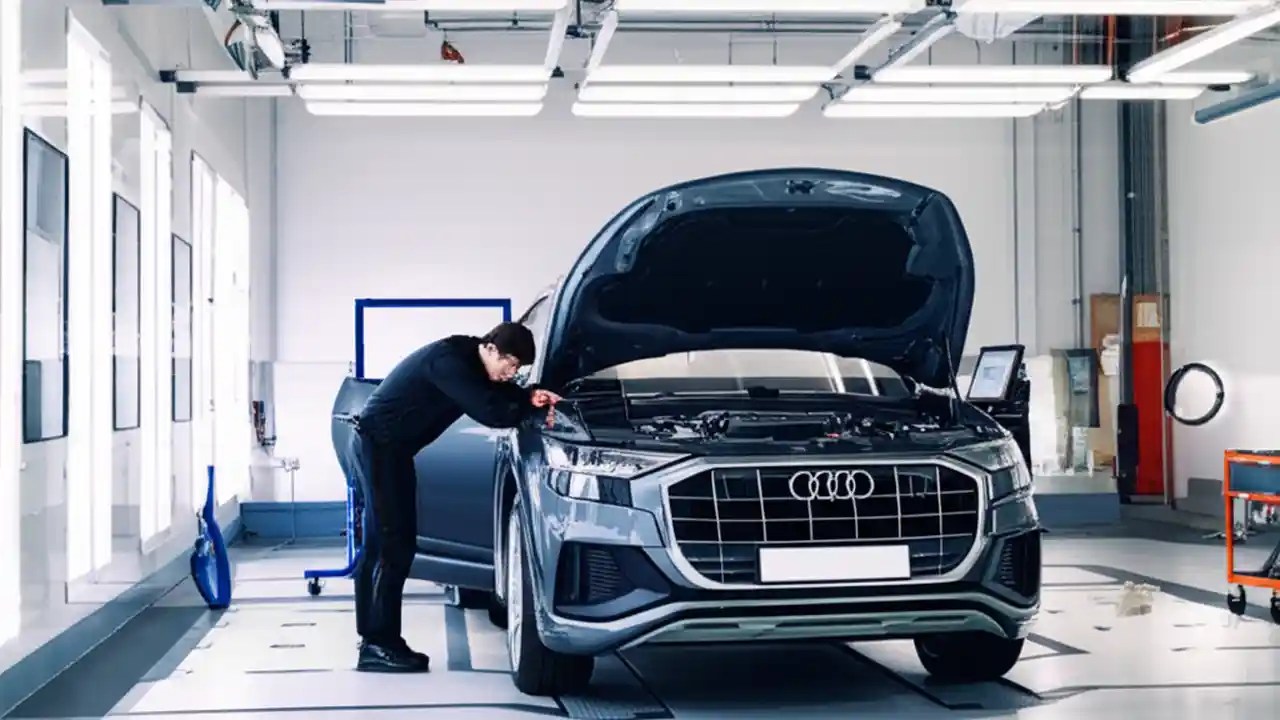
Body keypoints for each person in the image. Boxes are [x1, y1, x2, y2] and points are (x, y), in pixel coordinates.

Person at [345, 323, 560, 673]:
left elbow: (498, 396)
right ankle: (378, 645)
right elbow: (492, 412)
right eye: (510, 364)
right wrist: (529, 406)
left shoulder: (467, 359)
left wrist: (528, 396)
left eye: (518, 369)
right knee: (392, 545)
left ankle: (374, 638)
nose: (511, 373)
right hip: (380, 448)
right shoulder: (450, 363)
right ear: (490, 349)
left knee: (381, 546)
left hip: (386, 448)